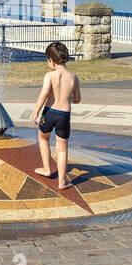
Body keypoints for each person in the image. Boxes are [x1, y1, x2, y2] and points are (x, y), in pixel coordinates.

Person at [32, 41, 82, 190]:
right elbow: (77, 99)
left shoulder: (50, 75)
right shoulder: (73, 77)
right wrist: (70, 99)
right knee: (62, 148)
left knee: (43, 137)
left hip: (50, 112)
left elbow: (44, 93)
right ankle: (62, 182)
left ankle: (47, 169)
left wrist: (36, 111)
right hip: (64, 115)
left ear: (51, 60)